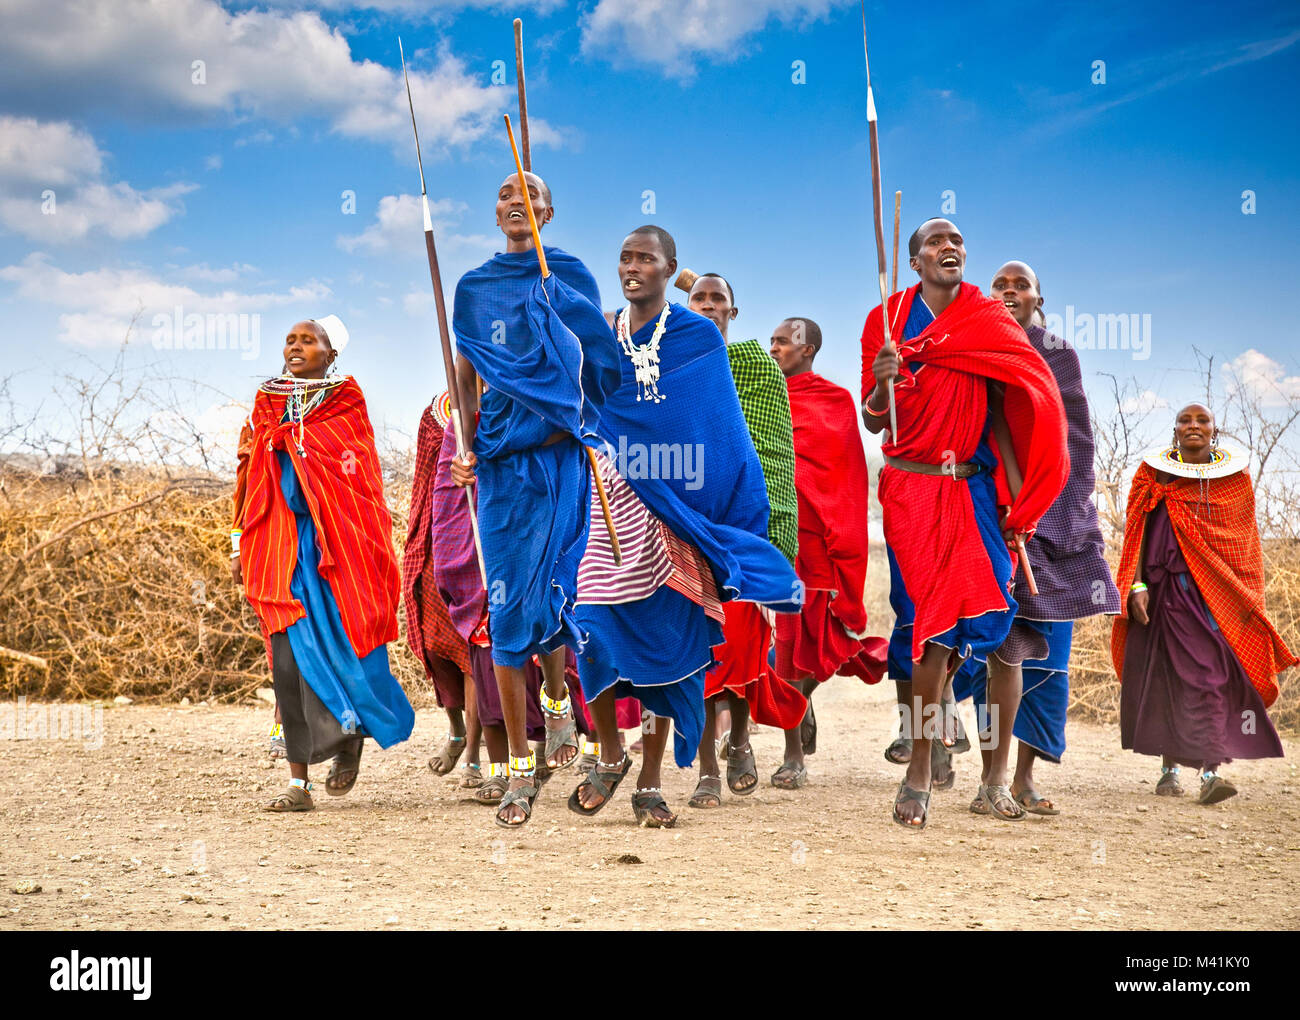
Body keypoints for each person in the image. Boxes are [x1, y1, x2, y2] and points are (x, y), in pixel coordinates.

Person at [569, 226, 802, 826]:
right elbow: (573, 399)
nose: (632, 267)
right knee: (590, 620)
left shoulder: (697, 337)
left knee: (672, 638)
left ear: (671, 269)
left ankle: (650, 783)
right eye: (625, 257)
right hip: (608, 494)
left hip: (675, 506)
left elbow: (720, 431)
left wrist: (722, 509)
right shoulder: (596, 332)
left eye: (646, 258)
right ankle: (611, 754)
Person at [861, 218, 1068, 828]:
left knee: (1000, 636)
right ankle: (919, 767)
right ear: (915, 259)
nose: (949, 249)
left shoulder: (985, 318)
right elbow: (877, 423)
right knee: (930, 634)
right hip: (910, 491)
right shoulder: (886, 318)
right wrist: (881, 385)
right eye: (935, 243)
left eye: (957, 243)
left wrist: (1019, 500)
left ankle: (995, 780)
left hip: (975, 495)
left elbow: (1024, 399)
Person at [450, 171, 620, 827]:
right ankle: (520, 768)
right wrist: (465, 443)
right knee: (508, 605)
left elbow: (600, 365)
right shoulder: (474, 288)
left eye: (531, 193)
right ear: (496, 213)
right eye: (504, 192)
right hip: (498, 465)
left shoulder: (571, 274)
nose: (517, 199)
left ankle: (569, 715)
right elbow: (466, 379)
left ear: (548, 212)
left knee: (559, 595)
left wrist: (558, 318)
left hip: (557, 457)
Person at [951, 262, 1121, 816]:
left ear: (1038, 297)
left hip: (1049, 524)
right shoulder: (973, 349)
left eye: (1019, 285)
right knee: (993, 648)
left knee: (1045, 657)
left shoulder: (1057, 355)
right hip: (987, 520)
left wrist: (1043, 513)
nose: (1008, 293)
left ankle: (1022, 777)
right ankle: (989, 777)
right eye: (999, 285)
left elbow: (1074, 444)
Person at [232, 316, 414, 812]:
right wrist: (237, 542)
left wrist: (288, 443)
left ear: (331, 355)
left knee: (351, 647)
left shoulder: (346, 400)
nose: (295, 346)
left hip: (338, 550)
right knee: (287, 663)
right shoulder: (267, 400)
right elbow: (249, 470)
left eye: (308, 340)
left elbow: (355, 474)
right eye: (290, 339)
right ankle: (299, 784)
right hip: (278, 544)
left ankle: (351, 736)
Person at [1114, 403, 1293, 804]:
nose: (1193, 426)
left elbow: (1243, 546)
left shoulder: (1233, 480)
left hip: (1214, 598)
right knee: (1166, 679)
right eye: (1185, 421)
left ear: (1216, 431)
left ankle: (1211, 773)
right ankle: (1169, 769)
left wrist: (1240, 596)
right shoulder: (1153, 474)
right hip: (1161, 594)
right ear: (1174, 431)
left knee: (1211, 678)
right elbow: (1137, 533)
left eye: (1202, 421)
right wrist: (1136, 584)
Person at [684, 273, 805, 806]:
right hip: (686, 518)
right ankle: (708, 763)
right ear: (686, 306)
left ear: (733, 311)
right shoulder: (668, 363)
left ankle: (738, 740)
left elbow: (778, 456)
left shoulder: (758, 369)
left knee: (740, 637)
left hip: (746, 522)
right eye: (700, 298)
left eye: (719, 300)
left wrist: (774, 535)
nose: (709, 306)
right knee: (698, 639)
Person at [768, 316, 888, 789]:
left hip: (823, 540)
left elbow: (846, 475)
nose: (774, 348)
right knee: (789, 645)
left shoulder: (835, 401)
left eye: (783, 342)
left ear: (809, 348)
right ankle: (792, 753)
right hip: (780, 541)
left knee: (824, 646)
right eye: (772, 341)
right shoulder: (760, 400)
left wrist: (842, 536)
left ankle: (805, 701)